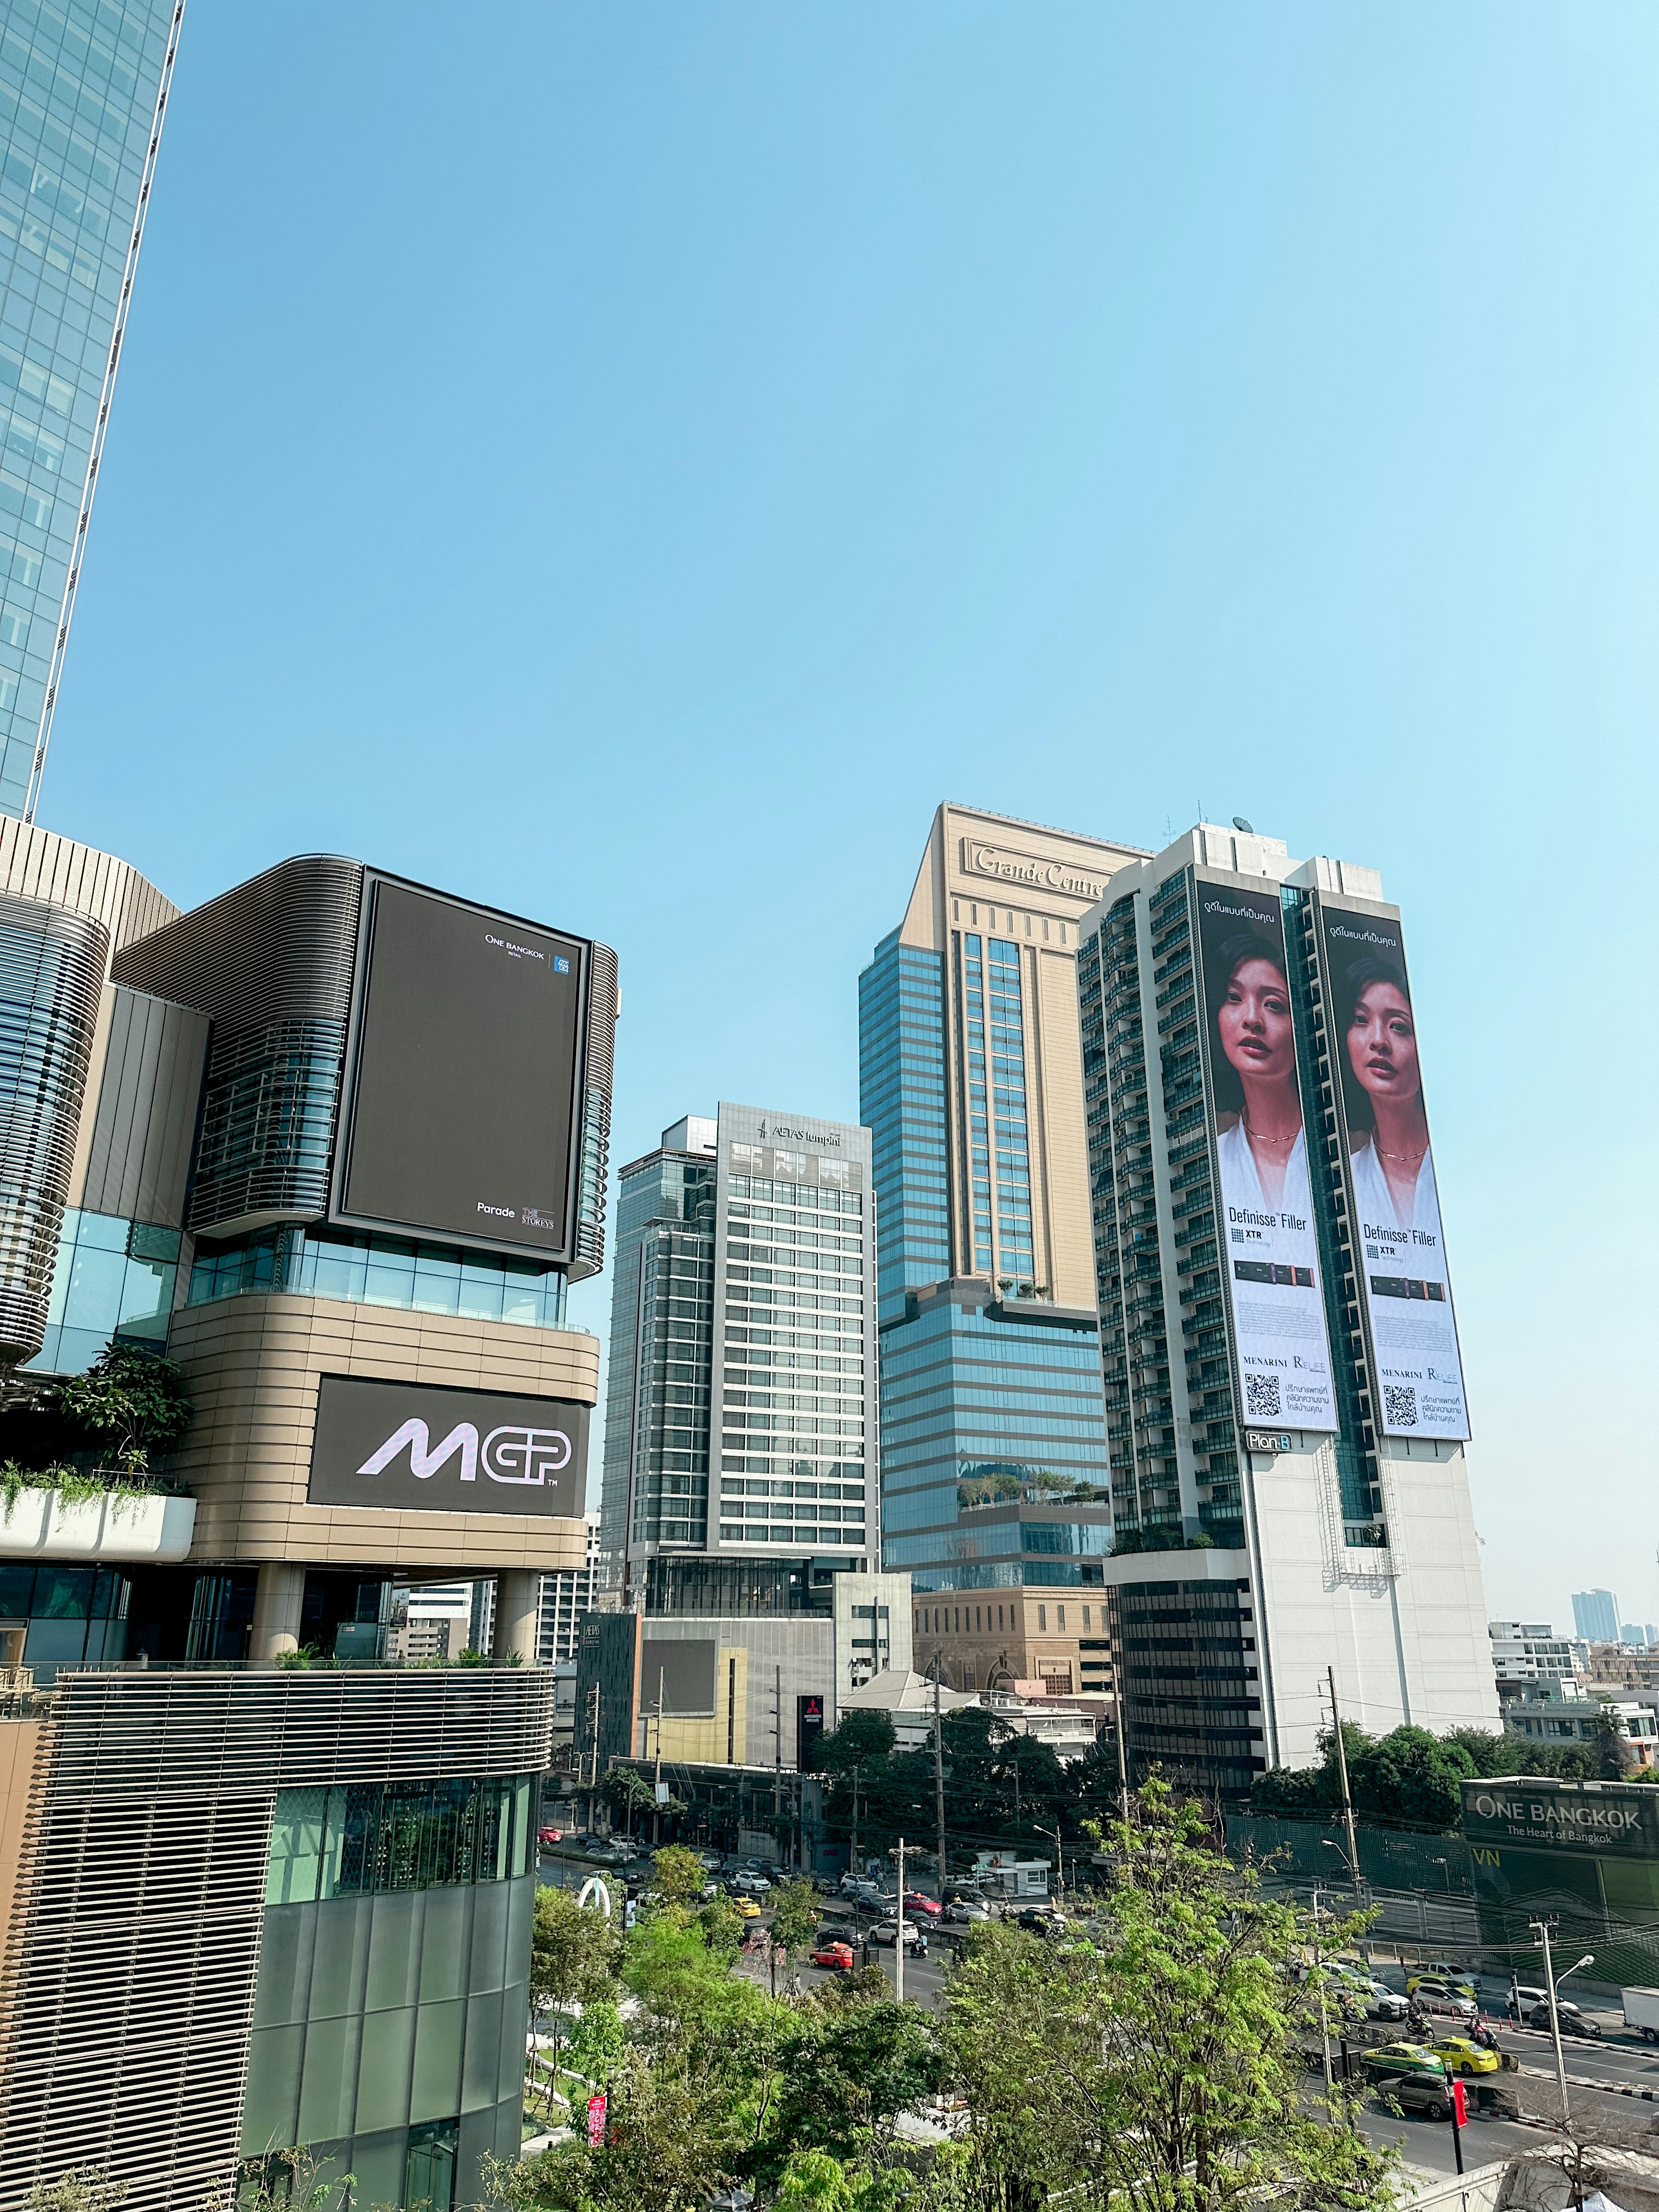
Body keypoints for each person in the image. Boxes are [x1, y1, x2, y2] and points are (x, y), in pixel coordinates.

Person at [1209, 927, 1310, 1216]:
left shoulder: (1335, 1156)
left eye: (1274, 1005)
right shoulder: (1216, 1156)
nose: (1252, 1019)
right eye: (1234, 997)